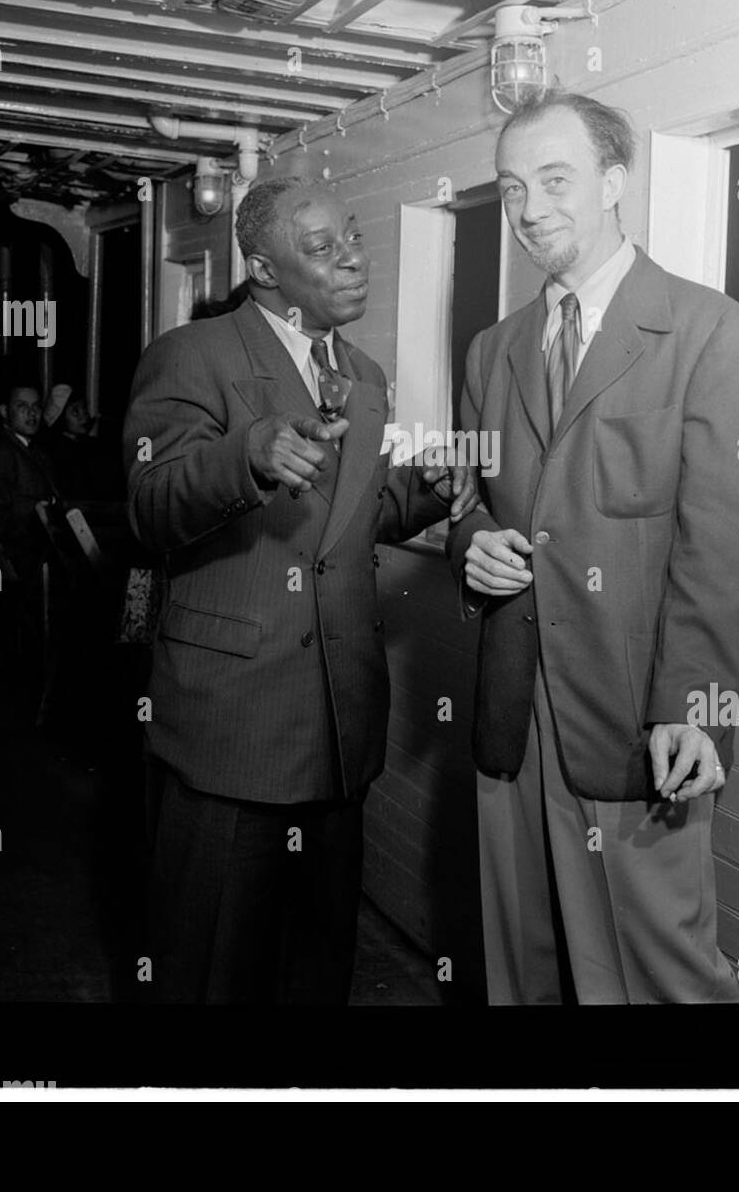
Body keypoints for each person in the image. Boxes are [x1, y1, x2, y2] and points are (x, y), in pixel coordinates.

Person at [445, 90, 739, 1005]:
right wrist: (470, 547)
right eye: (513, 189)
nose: (529, 210)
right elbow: (469, 501)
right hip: (514, 711)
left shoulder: (711, 333)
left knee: (660, 976)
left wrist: (693, 711)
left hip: (639, 721)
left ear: (615, 183)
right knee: (522, 971)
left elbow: (725, 553)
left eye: (555, 181)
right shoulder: (490, 351)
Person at [123, 177, 477, 1005]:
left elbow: (349, 517)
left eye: (350, 237)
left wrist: (425, 489)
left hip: (337, 728)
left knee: (314, 974)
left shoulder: (364, 374)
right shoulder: (194, 354)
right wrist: (245, 456)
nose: (352, 258)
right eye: (321, 249)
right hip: (232, 728)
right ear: (263, 269)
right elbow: (149, 506)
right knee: (211, 974)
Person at [0, 382, 60, 584]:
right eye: (22, 406)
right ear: (4, 411)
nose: (32, 413)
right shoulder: (0, 452)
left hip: (39, 549)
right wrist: (35, 515)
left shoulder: (30, 449)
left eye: (36, 406)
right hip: (25, 555)